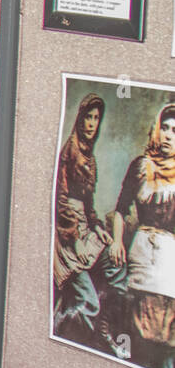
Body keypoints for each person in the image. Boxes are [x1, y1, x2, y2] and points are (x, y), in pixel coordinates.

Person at [106, 102, 175, 368]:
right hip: (142, 251)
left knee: (166, 331)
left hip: (170, 256)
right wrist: (116, 241)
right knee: (135, 327)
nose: (169, 135)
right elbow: (121, 209)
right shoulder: (141, 166)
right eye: (165, 128)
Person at [53, 93, 123, 347]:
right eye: (88, 117)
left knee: (117, 268)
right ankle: (59, 330)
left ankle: (104, 331)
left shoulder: (90, 158)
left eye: (96, 118)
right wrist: (77, 242)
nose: (92, 123)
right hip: (67, 235)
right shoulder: (69, 152)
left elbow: (90, 205)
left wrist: (98, 229)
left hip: (84, 227)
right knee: (88, 303)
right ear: (80, 119)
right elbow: (60, 201)